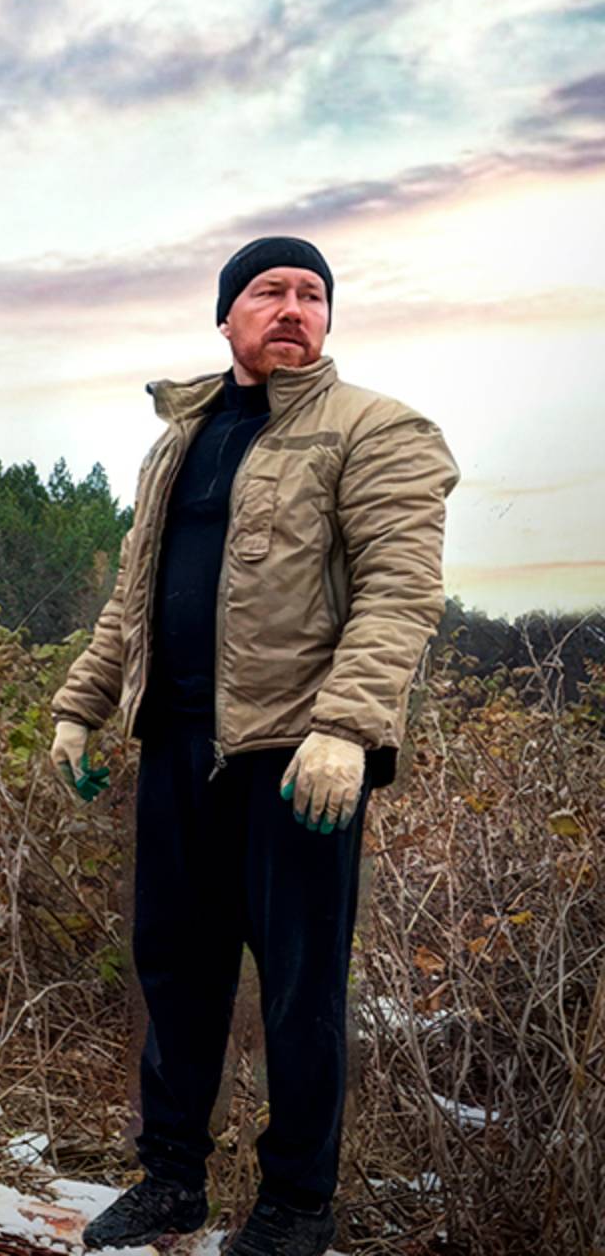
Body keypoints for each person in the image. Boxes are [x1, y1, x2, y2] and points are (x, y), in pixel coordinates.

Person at [52, 237, 457, 1256]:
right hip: (176, 746)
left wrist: (345, 728)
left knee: (299, 989)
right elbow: (132, 599)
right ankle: (171, 1182)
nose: (292, 308)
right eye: (269, 291)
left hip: (297, 763)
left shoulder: (375, 429)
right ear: (225, 314)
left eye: (311, 294)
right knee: (174, 975)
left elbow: (400, 593)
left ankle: (295, 1209)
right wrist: (79, 706)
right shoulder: (180, 439)